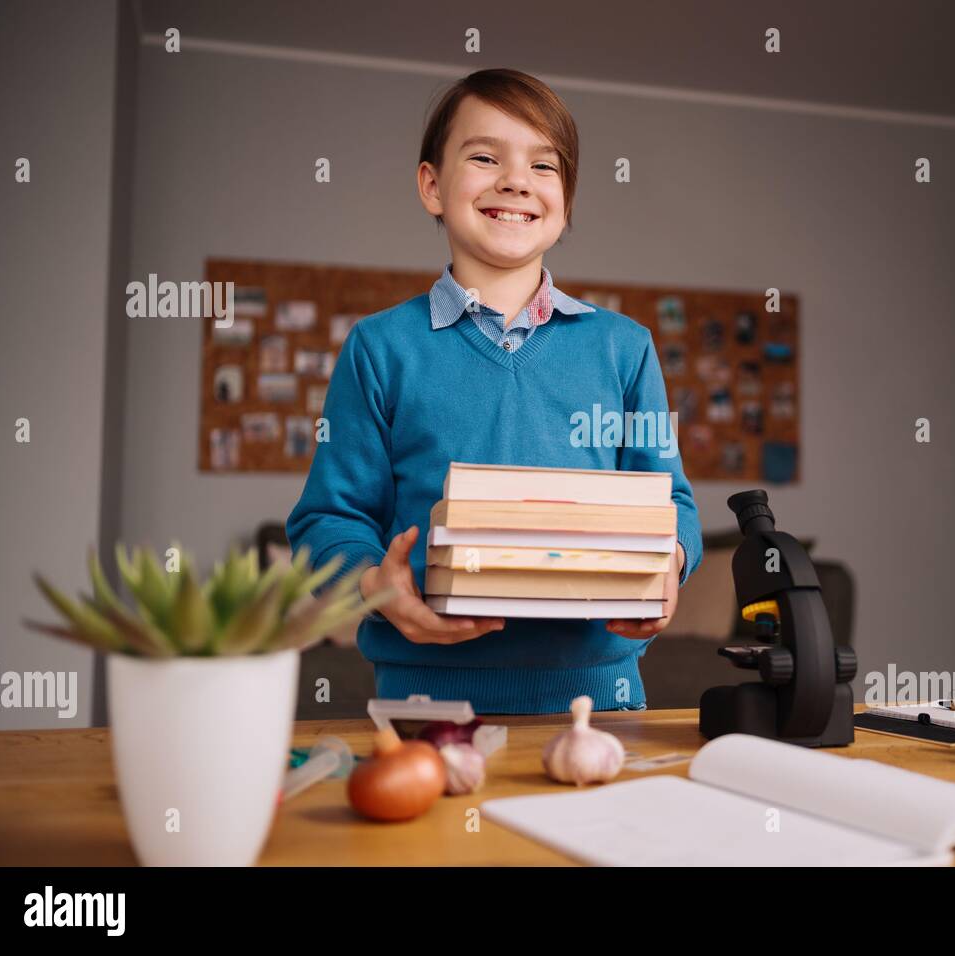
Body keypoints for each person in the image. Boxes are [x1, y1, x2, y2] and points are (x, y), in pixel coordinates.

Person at [286, 68, 702, 714]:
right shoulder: (380, 349)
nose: (516, 181)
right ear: (432, 185)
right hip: (422, 705)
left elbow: (673, 503)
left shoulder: (626, 349)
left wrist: (669, 564)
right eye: (484, 157)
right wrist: (375, 583)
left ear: (565, 202)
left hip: (599, 704)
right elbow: (327, 521)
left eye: (544, 166)